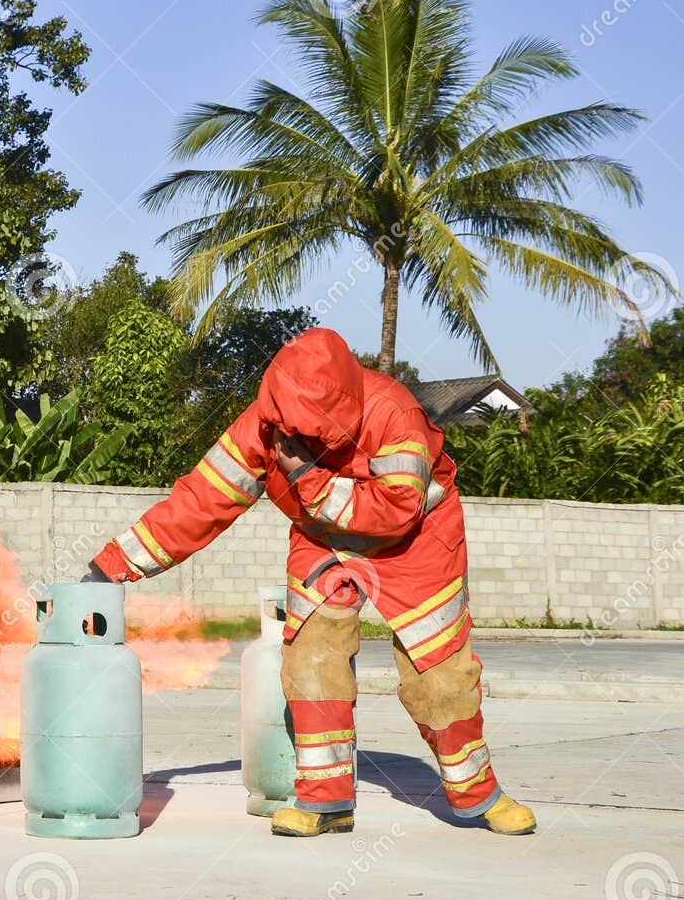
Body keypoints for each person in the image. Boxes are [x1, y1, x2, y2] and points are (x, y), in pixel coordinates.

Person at [92, 328, 536, 837]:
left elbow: (395, 511)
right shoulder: (265, 423)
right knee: (311, 658)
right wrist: (112, 566)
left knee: (438, 676)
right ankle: (326, 802)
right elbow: (200, 501)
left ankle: (478, 795)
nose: (292, 439)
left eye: (309, 433)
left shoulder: (394, 413)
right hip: (322, 536)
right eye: (285, 428)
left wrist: (307, 479)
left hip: (416, 541)